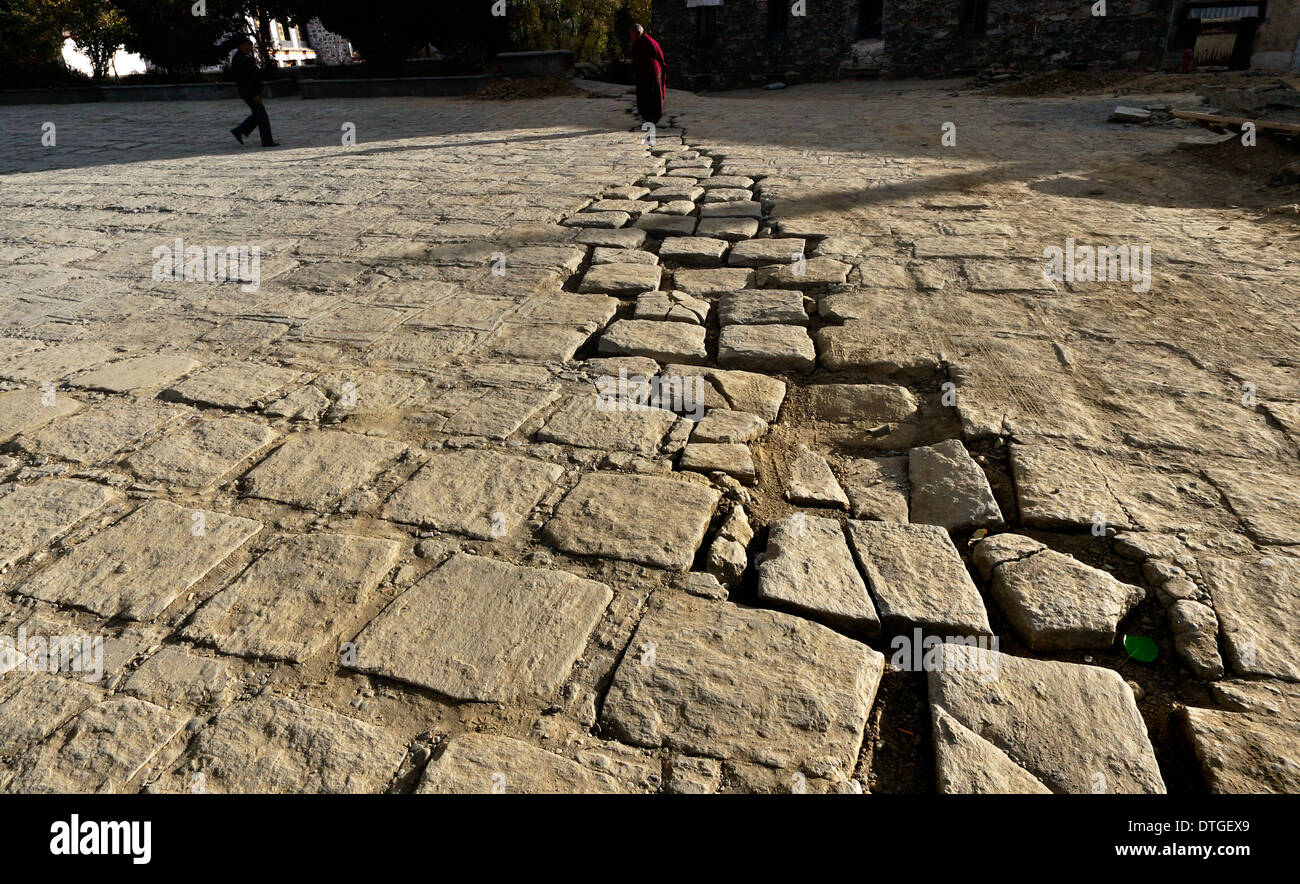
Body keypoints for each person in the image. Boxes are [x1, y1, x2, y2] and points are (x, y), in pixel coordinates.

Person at [229, 37, 279, 147]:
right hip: (248, 92)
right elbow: (243, 79)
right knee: (262, 116)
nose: (247, 47)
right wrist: (254, 94)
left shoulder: (246, 57)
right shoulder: (239, 59)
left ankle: (239, 130)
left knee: (258, 115)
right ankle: (266, 141)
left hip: (251, 91)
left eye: (249, 45)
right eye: (244, 45)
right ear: (239, 46)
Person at [629, 23, 666, 125]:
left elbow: (659, 56)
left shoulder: (649, 42)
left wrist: (663, 68)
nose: (630, 36)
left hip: (652, 74)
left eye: (631, 34)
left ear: (637, 33)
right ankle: (647, 117)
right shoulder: (637, 43)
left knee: (653, 97)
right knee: (642, 97)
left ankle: (654, 118)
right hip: (642, 75)